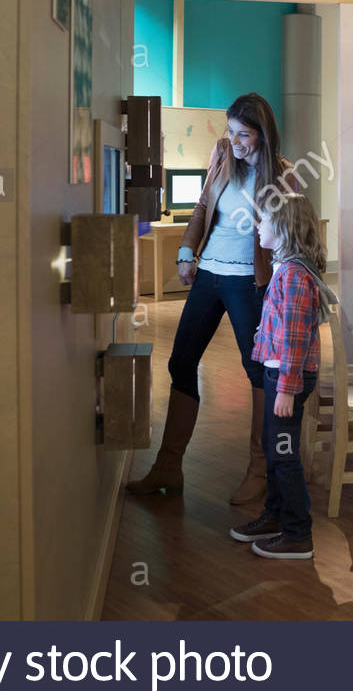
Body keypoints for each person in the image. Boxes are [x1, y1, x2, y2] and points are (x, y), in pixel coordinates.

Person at [127, 93, 300, 503]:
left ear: (263, 135)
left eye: (245, 135)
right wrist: (186, 253)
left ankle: (260, 470)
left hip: (248, 283)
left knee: (257, 372)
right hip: (209, 276)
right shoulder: (222, 154)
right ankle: (168, 467)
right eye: (231, 132)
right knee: (180, 361)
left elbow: (287, 237)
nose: (235, 141)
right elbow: (204, 205)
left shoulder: (284, 174)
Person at [229, 193, 336, 560]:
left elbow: (292, 338)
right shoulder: (288, 268)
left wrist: (287, 390)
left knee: (283, 454)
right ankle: (275, 516)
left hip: (286, 379)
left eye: (264, 221)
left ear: (284, 227)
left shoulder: (292, 275)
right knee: (275, 450)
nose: (258, 227)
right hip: (279, 375)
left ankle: (297, 532)